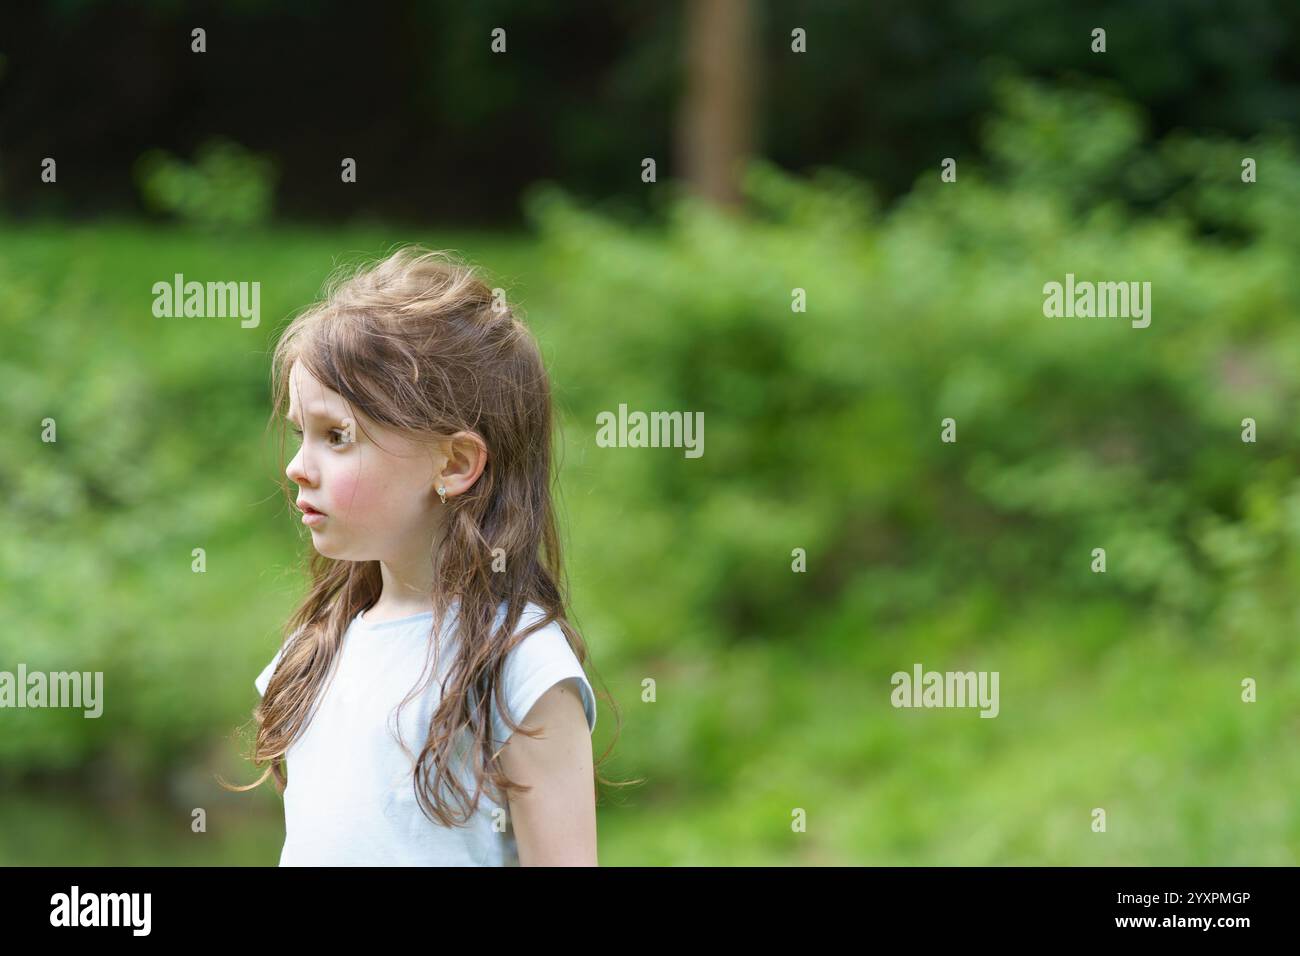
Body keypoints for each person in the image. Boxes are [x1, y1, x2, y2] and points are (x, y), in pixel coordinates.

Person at [236, 246, 603, 865]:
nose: (299, 466)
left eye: (337, 436)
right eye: (303, 433)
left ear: (454, 463)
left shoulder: (518, 663)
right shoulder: (313, 652)